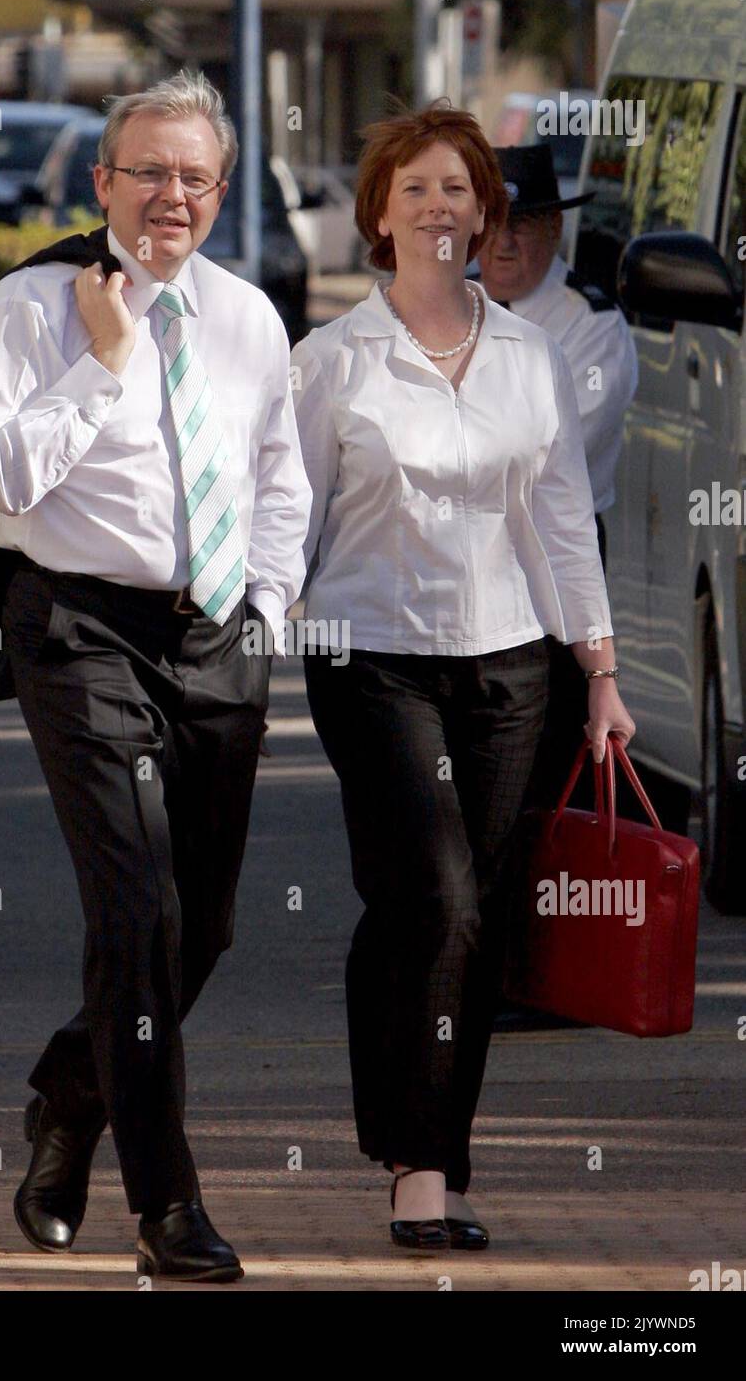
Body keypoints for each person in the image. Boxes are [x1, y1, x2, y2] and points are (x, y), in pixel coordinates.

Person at [0, 70, 312, 1283]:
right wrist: (103, 362)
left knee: (199, 927)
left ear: (220, 191)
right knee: (138, 912)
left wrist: (264, 608)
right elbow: (5, 476)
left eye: (195, 175)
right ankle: (169, 1206)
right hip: (78, 628)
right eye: (147, 171)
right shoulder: (31, 307)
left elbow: (280, 479)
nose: (172, 194)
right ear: (101, 181)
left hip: (215, 634)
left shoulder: (251, 318)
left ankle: (70, 1094)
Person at [289, 99, 635, 1250]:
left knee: (462, 917)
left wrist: (599, 668)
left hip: (509, 665)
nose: (440, 207)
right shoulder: (330, 361)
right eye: (416, 188)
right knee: (434, 895)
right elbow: (288, 519)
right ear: (379, 214)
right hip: (371, 658)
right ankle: (419, 1168)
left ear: (487, 214)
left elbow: (558, 521)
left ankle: (425, 1144)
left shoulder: (533, 356)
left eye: (459, 189)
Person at [477, 143, 638, 811]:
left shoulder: (590, 323)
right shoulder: (440, 300)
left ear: (554, 229)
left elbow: (546, 467)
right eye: (493, 222)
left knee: (538, 789)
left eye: (525, 223)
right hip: (450, 568)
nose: (505, 240)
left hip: (550, 564)